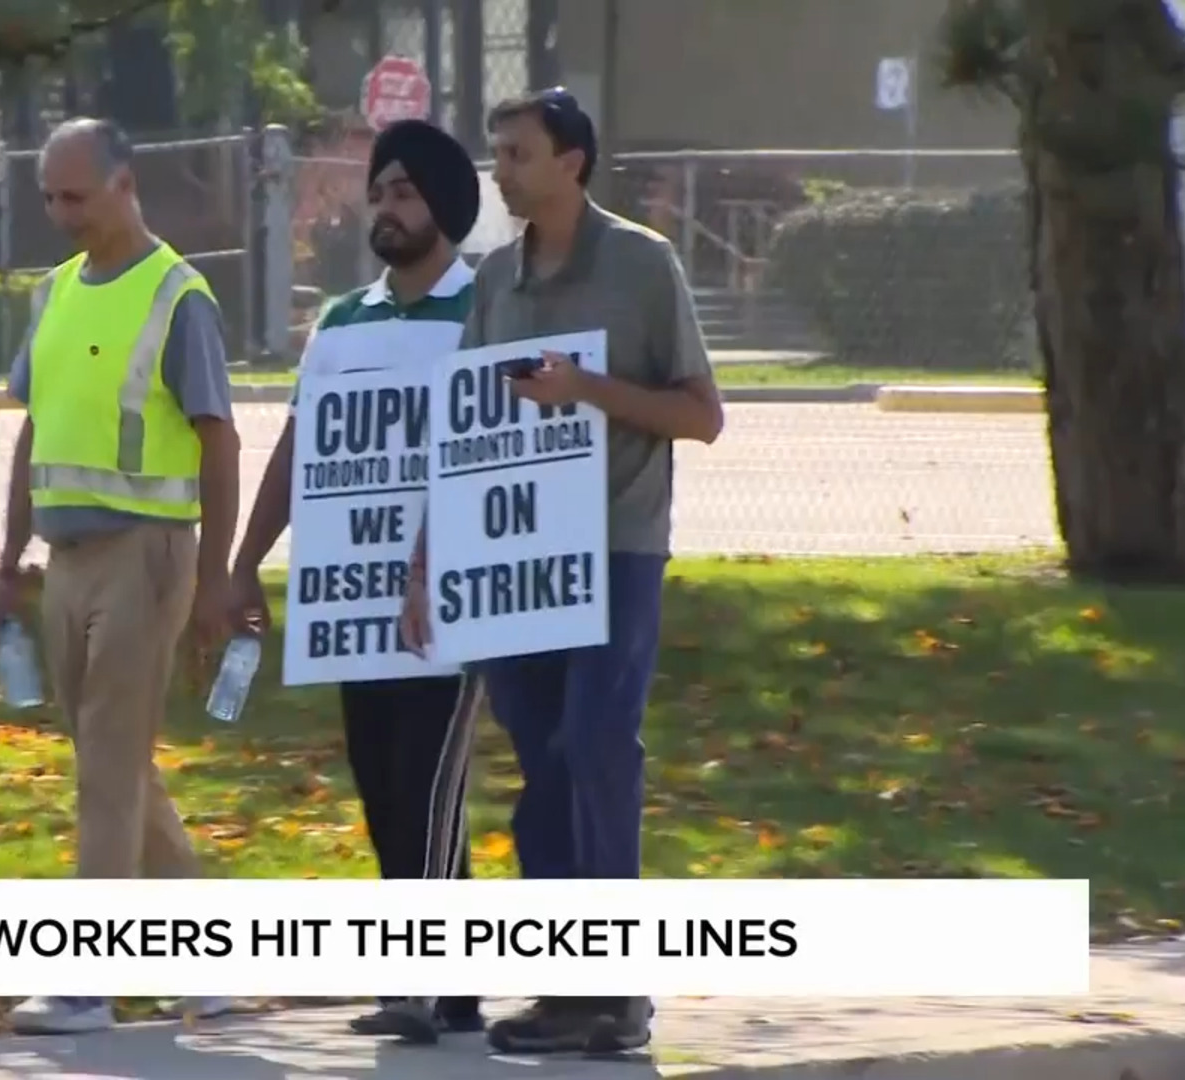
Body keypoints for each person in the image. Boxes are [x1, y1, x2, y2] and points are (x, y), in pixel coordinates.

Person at [400, 88, 725, 1056]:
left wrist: (586, 391)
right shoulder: (495, 280)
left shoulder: (641, 264)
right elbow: (460, 433)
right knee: (541, 764)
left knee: (594, 744)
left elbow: (701, 414)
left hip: (614, 548)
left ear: (571, 162)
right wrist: (426, 561)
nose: (499, 170)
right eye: (496, 152)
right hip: (513, 562)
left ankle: (618, 991)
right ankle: (561, 991)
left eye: (517, 153)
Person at [0, 117, 241, 1036]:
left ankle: (89, 981)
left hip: (148, 556)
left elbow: (219, 439)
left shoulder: (179, 298)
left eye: (74, 196)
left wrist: (217, 579)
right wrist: (8, 564)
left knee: (107, 766)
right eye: (48, 195)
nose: (58, 213)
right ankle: (206, 966)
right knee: (111, 760)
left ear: (125, 185)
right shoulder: (52, 295)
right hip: (66, 561)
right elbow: (33, 432)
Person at [230, 118, 486, 1046]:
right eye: (378, 192)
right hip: (352, 602)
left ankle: (416, 981)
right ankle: (456, 985)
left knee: (427, 785)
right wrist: (244, 561)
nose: (385, 207)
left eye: (406, 192)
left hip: (452, 608)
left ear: (446, 207)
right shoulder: (340, 322)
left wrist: (434, 557)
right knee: (384, 785)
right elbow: (302, 447)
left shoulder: (484, 309)